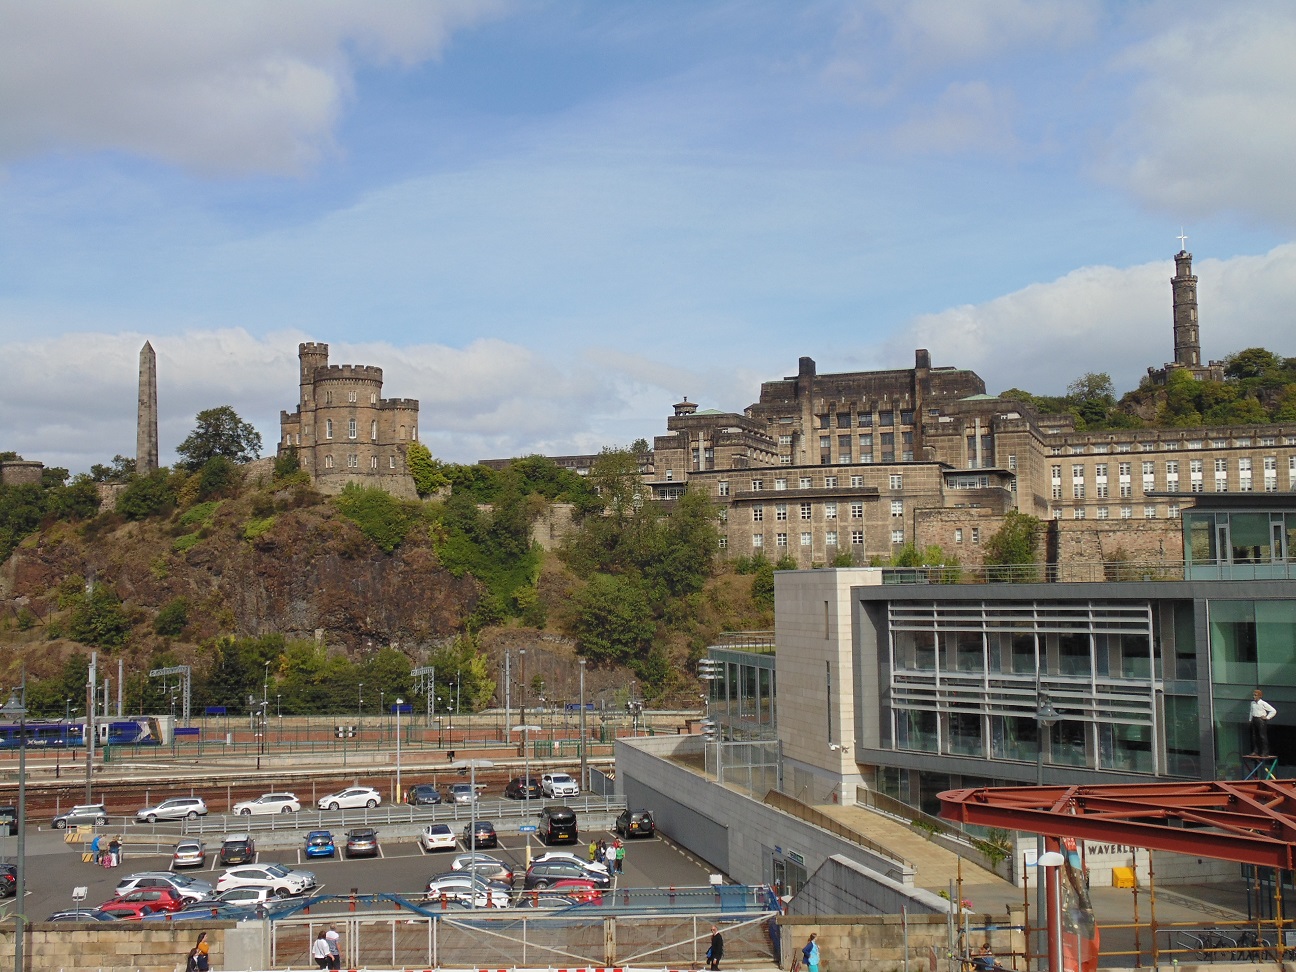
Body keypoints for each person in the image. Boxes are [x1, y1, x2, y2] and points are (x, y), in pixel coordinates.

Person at [1250, 688, 1277, 758]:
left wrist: (1267, 717)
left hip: (1260, 720)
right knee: (1254, 736)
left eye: (1255, 695)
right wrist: (1250, 720)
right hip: (1254, 719)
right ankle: (1256, 751)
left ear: (1259, 696)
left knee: (1262, 736)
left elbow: (1273, 710)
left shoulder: (1263, 703)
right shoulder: (1252, 703)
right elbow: (1251, 711)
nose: (1254, 696)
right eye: (1253, 695)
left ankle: (1265, 752)